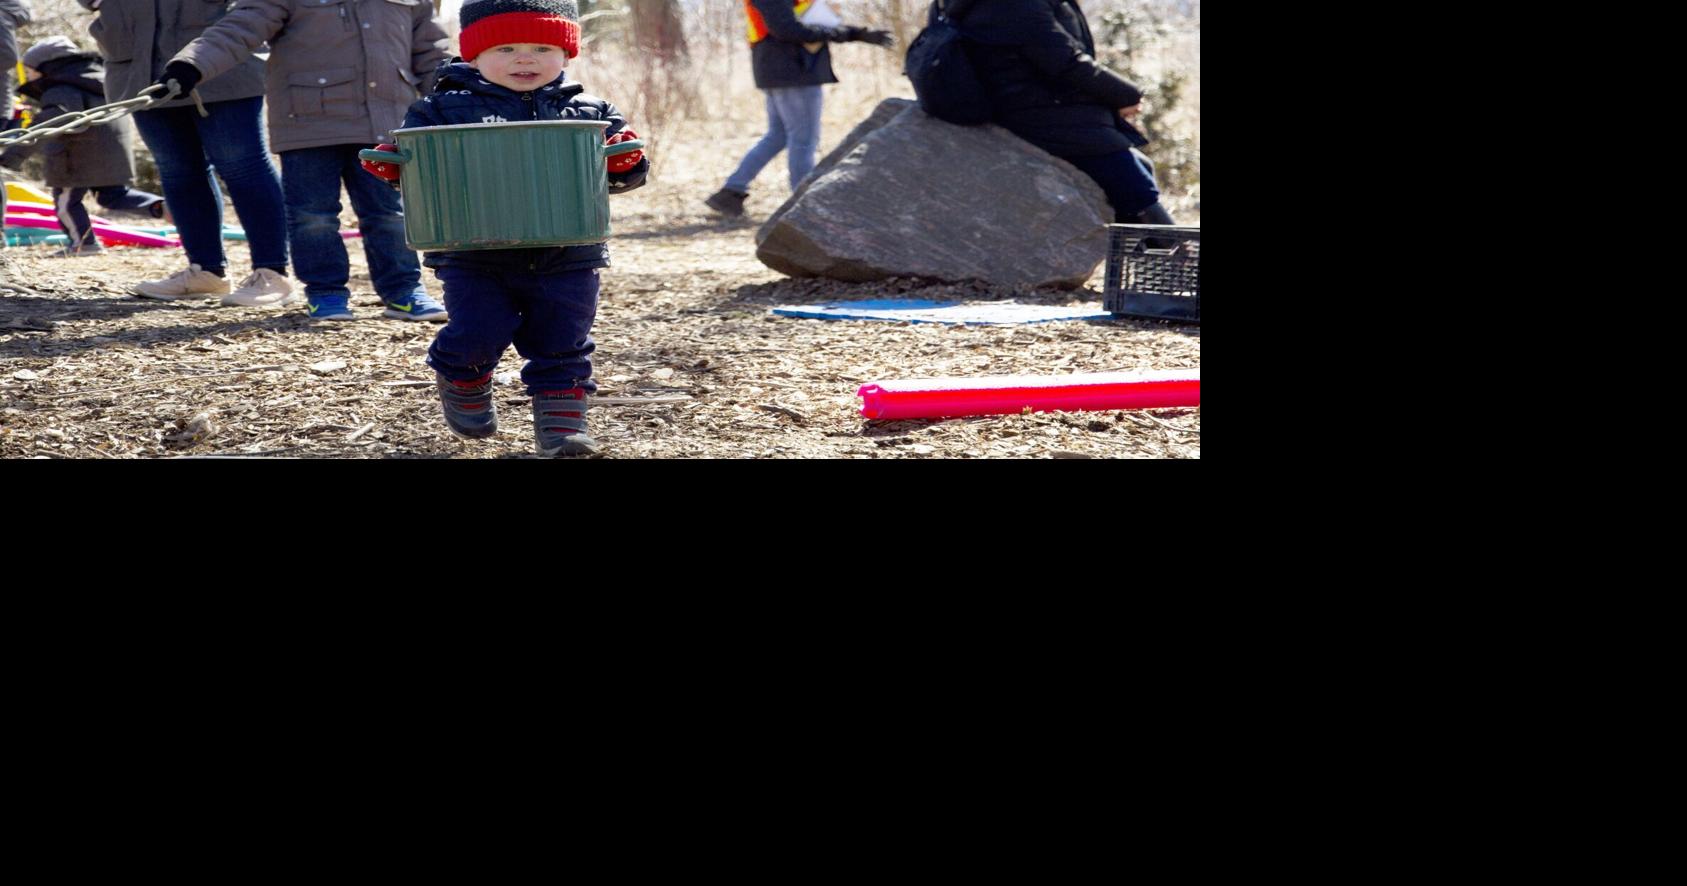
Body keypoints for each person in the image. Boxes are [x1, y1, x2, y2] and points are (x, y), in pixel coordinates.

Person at [361, 0, 647, 457]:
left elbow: (620, 176)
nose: (525, 58)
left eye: (541, 46)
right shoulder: (440, 110)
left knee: (563, 339)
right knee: (479, 327)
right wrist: (400, 170)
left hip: (568, 249)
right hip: (474, 249)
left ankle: (563, 431)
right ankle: (462, 371)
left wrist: (625, 163)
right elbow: (416, 159)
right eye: (506, 47)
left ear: (566, 54)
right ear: (473, 54)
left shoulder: (590, 111)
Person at [161, 0, 450, 321]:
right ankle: (324, 292)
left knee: (390, 215)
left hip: (384, 123)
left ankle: (404, 291)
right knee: (313, 217)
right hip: (308, 124)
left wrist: (458, 91)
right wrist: (192, 64)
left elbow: (431, 48)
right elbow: (240, 28)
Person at [77, 0, 295, 305]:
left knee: (243, 165)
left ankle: (272, 272)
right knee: (176, 170)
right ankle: (205, 270)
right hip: (135, 62)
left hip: (222, 58)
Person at [959, 0, 1177, 227]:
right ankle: (1177, 257)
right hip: (1032, 115)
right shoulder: (1016, 5)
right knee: (1131, 180)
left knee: (1138, 166)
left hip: (1041, 107)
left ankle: (1142, 255)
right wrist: (1126, 96)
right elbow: (1064, 61)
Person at [703, 0, 892, 217]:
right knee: (803, 140)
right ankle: (804, 204)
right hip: (792, 73)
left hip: (783, 71)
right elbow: (787, 29)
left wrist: (857, 34)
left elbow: (804, 20)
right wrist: (841, 33)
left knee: (778, 136)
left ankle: (731, 192)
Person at [0, 36, 166, 256]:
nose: (28, 76)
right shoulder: (101, 80)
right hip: (113, 154)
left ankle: (83, 244)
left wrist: (13, 155)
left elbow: (49, 125)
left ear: (46, 66)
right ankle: (161, 207)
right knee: (115, 196)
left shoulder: (60, 89)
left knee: (66, 203)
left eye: (30, 70)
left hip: (74, 159)